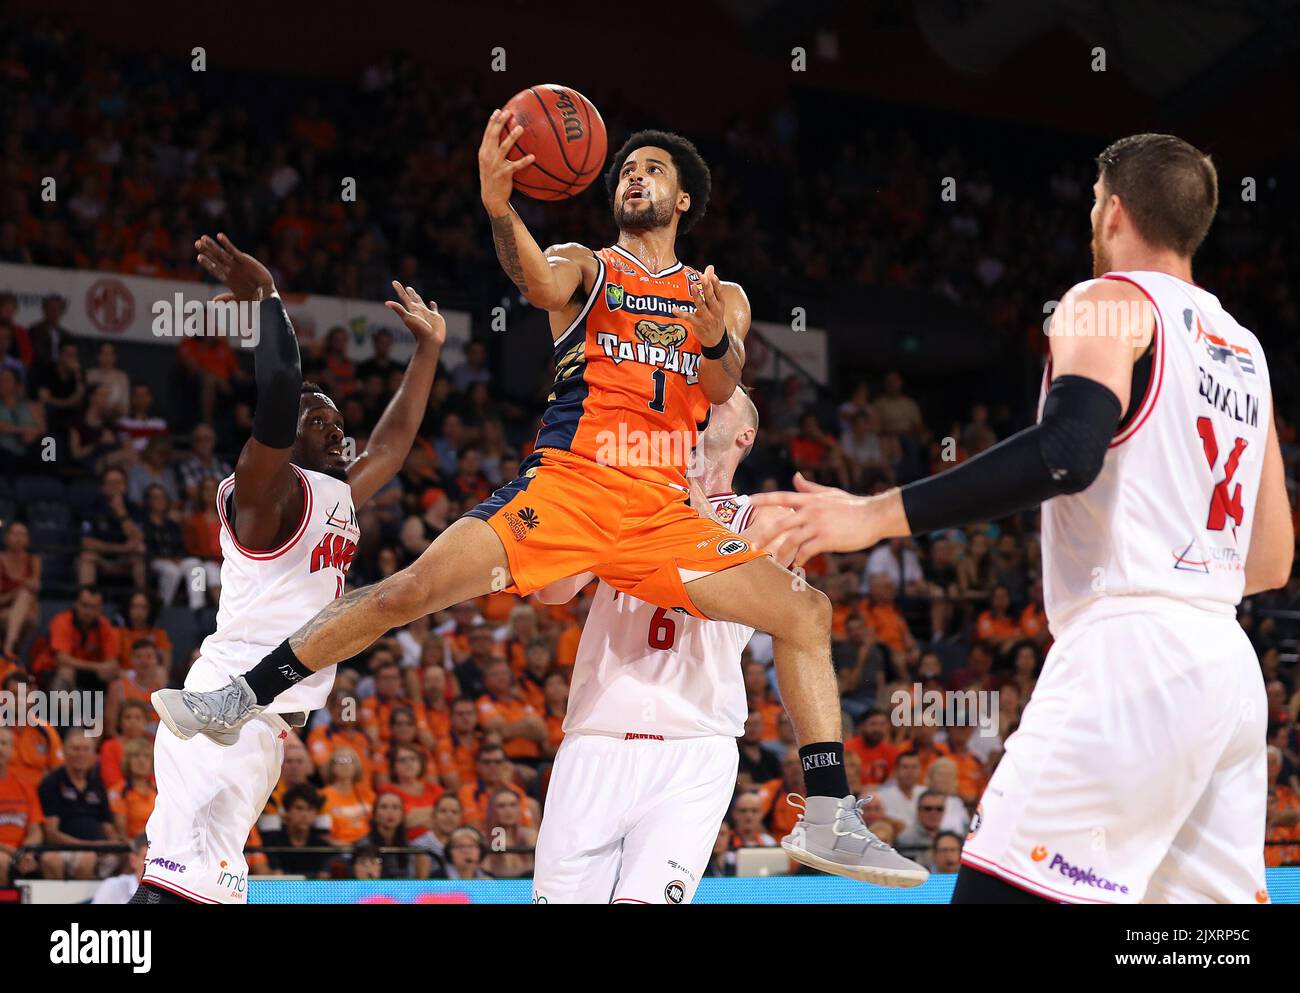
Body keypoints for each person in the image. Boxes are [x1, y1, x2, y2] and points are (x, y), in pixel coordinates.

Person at [156, 123, 898, 883]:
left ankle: (831, 813)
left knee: (806, 613)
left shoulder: (720, 296)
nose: (633, 179)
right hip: (570, 485)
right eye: (626, 171)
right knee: (409, 589)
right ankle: (238, 696)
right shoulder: (588, 265)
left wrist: (712, 342)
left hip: (660, 510)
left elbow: (718, 387)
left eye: (652, 171)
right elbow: (536, 282)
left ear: (684, 199)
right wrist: (498, 203)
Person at [751, 134, 1294, 905]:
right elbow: (1271, 561)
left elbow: (1068, 453)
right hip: (1230, 671)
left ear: (1111, 210)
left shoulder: (1108, 302)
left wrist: (871, 515)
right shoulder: (1247, 352)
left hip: (1132, 660)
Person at [133, 234, 445, 905]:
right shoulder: (263, 493)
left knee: (207, 889)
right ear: (287, 434)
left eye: (337, 420)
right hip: (223, 704)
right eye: (316, 419)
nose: (336, 429)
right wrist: (269, 298)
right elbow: (277, 383)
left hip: (267, 721)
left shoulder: (338, 493)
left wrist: (428, 351)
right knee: (171, 886)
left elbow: (391, 444)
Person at [531, 392, 926, 902]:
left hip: (693, 748)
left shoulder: (768, 516)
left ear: (746, 435)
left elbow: (716, 588)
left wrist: (673, 497)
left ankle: (831, 807)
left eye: (717, 399)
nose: (698, 399)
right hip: (596, 734)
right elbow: (552, 590)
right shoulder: (629, 500)